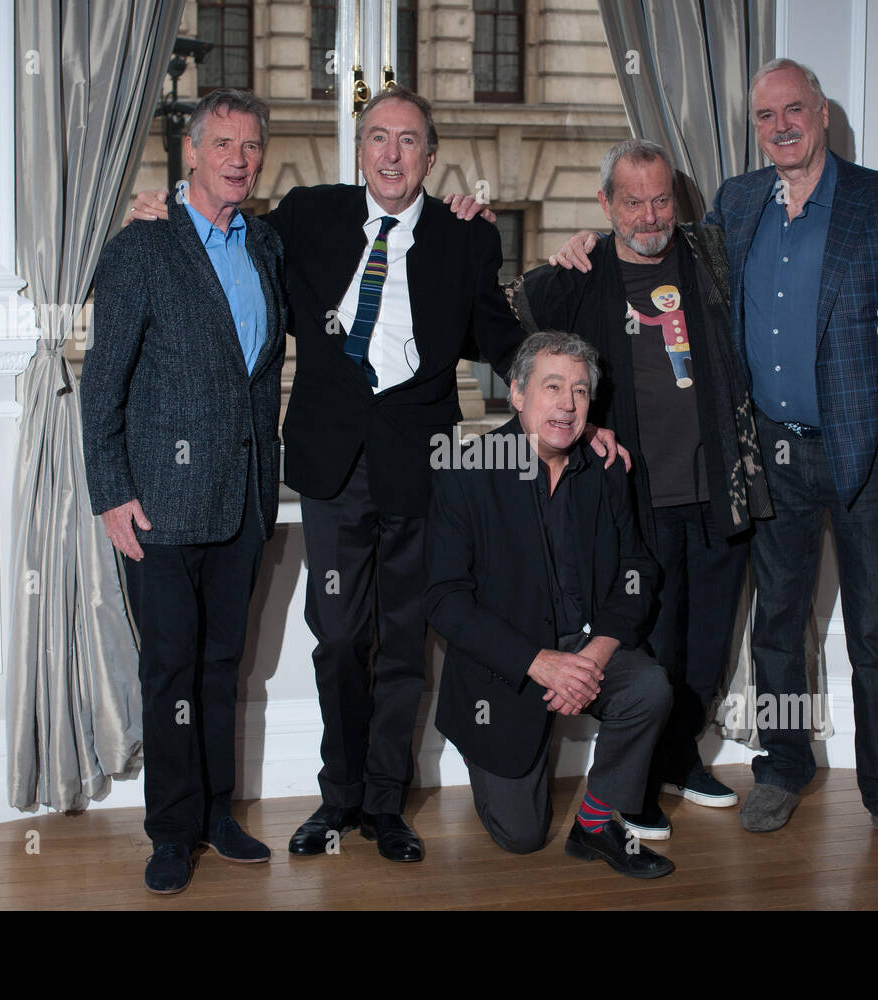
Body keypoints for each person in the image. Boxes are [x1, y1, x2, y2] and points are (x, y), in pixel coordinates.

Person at [130, 86, 623, 863]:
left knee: (401, 644)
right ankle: (338, 800)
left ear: (431, 157)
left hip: (420, 472)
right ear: (359, 151)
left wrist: (575, 407)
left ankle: (386, 806)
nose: (392, 155)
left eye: (408, 142)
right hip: (330, 469)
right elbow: (223, 236)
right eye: (378, 139)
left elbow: (502, 340)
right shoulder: (306, 216)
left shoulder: (465, 240)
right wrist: (158, 206)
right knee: (337, 641)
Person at [552, 59, 878, 857]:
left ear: (823, 114)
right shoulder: (736, 203)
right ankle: (782, 767)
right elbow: (649, 243)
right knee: (776, 626)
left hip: (860, 459)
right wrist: (587, 244)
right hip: (770, 455)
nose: (781, 127)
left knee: (874, 633)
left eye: (793, 110)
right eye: (765, 117)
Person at [500, 139, 771, 841]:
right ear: (605, 205)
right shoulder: (577, 279)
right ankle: (639, 784)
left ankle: (683, 759)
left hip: (719, 492)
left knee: (708, 646)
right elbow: (512, 340)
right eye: (633, 201)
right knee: (655, 646)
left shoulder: (710, 259)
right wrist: (571, 426)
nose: (650, 215)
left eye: (660, 199)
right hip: (636, 502)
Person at [81, 89, 287, 894]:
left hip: (243, 498)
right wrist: (110, 491)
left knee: (222, 665)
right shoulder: (143, 246)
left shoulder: (263, 244)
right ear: (192, 154)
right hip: (158, 503)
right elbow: (105, 383)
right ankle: (170, 829)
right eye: (223, 144)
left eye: (251, 146)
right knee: (170, 668)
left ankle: (215, 813)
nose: (239, 158)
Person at [425, 331, 675, 878]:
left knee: (649, 688)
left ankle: (595, 823)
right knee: (522, 838)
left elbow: (637, 570)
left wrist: (597, 655)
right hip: (507, 665)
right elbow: (445, 601)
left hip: (585, 643)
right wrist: (540, 664)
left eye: (580, 391)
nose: (567, 403)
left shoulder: (606, 468)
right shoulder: (467, 472)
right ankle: (491, 755)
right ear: (517, 394)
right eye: (552, 387)